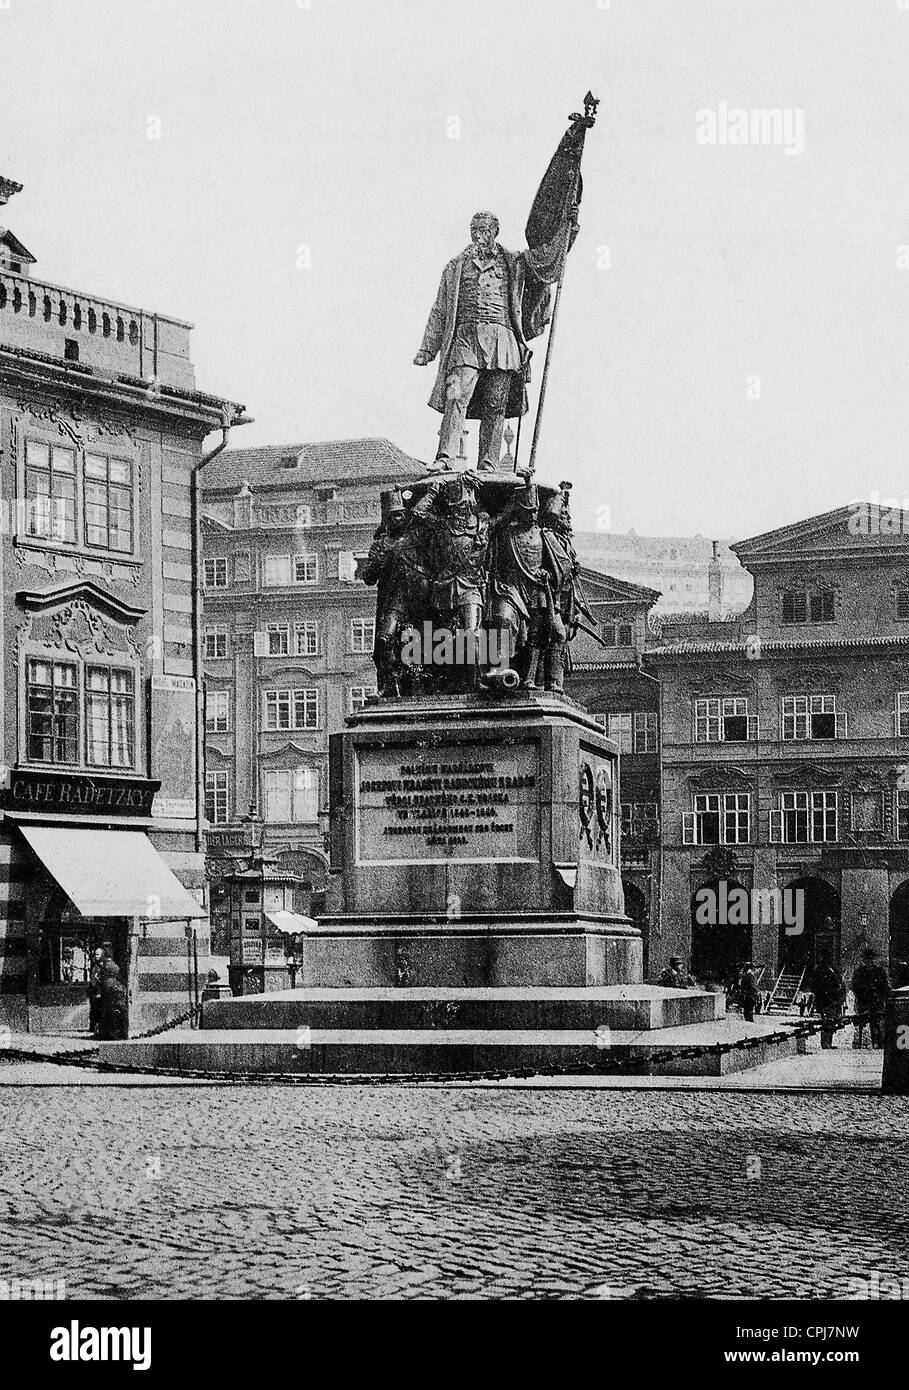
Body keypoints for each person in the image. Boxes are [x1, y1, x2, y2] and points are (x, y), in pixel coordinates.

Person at [414, 211, 552, 472]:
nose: (478, 234)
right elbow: (440, 310)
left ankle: (489, 462)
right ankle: (445, 457)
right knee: (455, 394)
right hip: (465, 339)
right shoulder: (455, 267)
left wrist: (569, 226)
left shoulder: (514, 262)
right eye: (474, 229)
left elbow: (546, 265)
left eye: (484, 230)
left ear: (495, 232)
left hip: (503, 340)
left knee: (495, 404)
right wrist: (427, 349)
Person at [851, 947, 890, 1049]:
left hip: (876, 1002)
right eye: (867, 959)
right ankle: (863, 1043)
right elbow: (855, 986)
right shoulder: (859, 972)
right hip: (864, 1002)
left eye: (871, 959)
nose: (869, 961)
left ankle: (878, 1043)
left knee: (877, 1023)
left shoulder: (879, 972)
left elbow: (885, 987)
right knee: (863, 1024)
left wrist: (879, 994)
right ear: (864, 960)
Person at [811, 957, 847, 1049]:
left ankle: (828, 1042)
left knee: (830, 1021)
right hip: (827, 1000)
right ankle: (825, 1043)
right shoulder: (824, 971)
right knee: (828, 1020)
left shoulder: (831, 971)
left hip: (831, 1000)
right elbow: (818, 987)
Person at [97, 960, 129, 1041]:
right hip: (118, 1009)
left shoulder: (107, 982)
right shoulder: (114, 983)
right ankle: (119, 1034)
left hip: (112, 1009)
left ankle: (109, 1034)